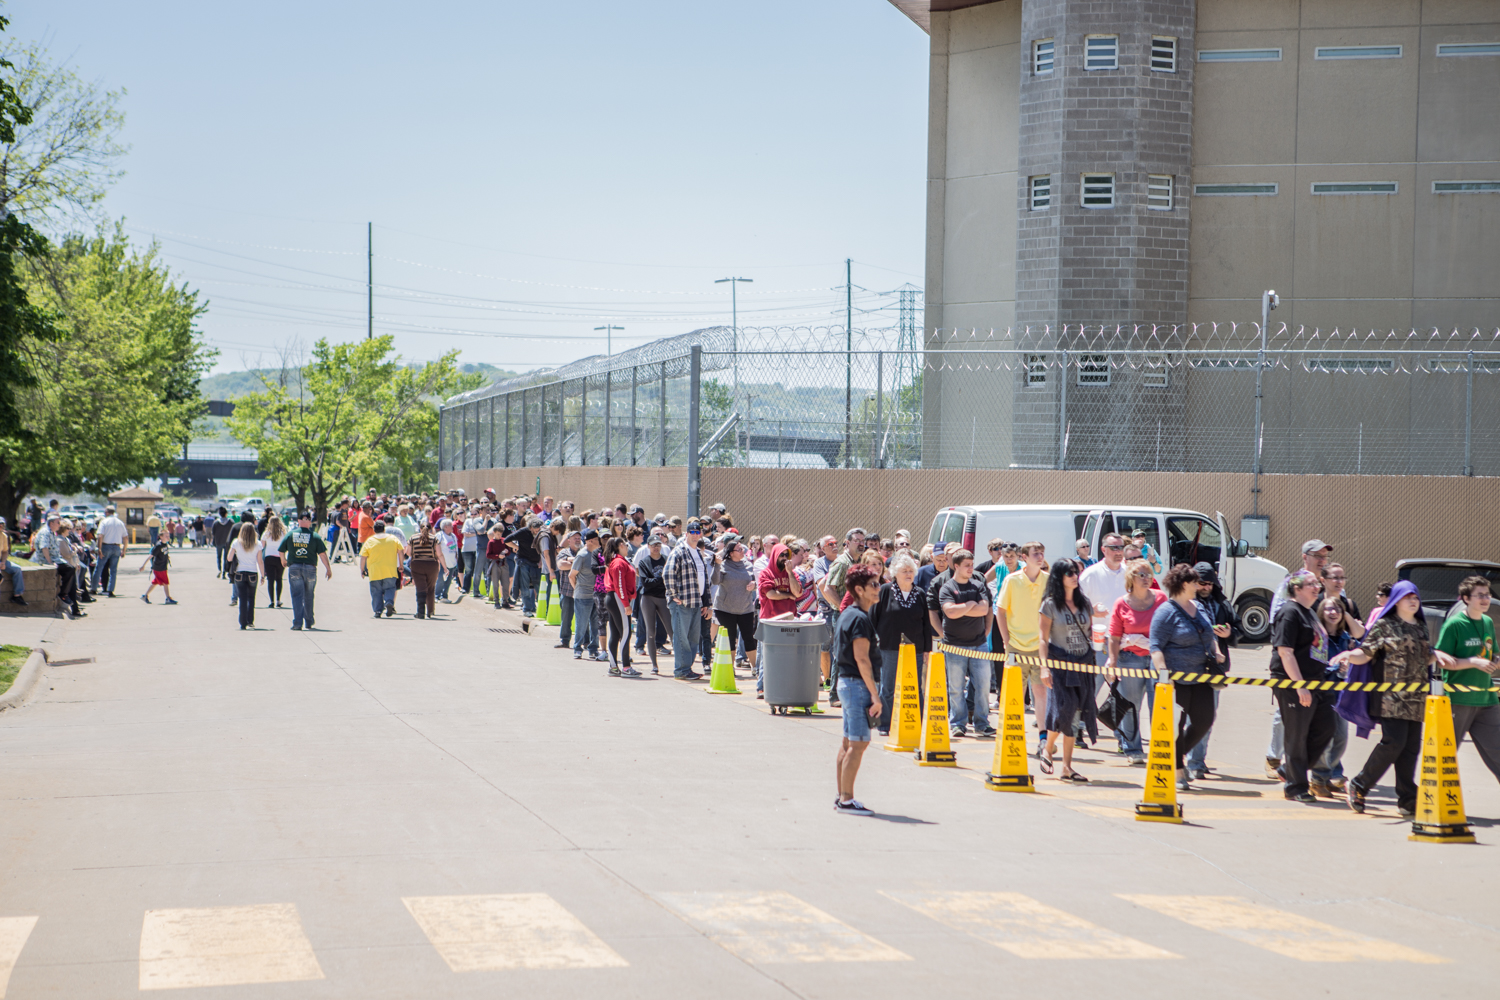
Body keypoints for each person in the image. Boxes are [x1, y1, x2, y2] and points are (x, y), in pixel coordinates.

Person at [1334, 580, 1456, 816]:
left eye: (1416, 597)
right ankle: (1360, 784)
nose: (1413, 601)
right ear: (1397, 600)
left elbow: (1423, 656)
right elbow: (1366, 652)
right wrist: (1349, 654)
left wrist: (1436, 654)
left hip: (1417, 699)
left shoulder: (1420, 626)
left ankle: (1408, 799)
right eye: (1408, 596)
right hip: (1391, 699)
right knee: (1393, 743)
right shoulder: (1384, 624)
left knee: (1410, 749)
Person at [1149, 564, 1224, 791]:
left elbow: (1208, 632)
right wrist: (1164, 676)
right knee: (1176, 727)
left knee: (1204, 720)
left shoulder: (1199, 607)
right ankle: (1178, 771)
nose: (1199, 586)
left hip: (1202, 677)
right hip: (1175, 680)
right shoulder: (1165, 612)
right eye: (1195, 582)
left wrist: (1216, 650)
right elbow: (1155, 647)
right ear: (1184, 584)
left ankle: (1176, 755)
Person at [1269, 570, 1337, 803]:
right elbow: (1285, 652)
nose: (1316, 587)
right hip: (1294, 683)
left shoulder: (1309, 612)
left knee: (1326, 727)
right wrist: (1300, 687)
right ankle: (1295, 787)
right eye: (1311, 584)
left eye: (1317, 583)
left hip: (1317, 682)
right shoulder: (1289, 612)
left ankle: (1290, 770)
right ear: (1296, 588)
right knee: (1297, 736)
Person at [1037, 558, 1099, 781]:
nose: (1075, 576)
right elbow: (1043, 639)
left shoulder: (1084, 603)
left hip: (1082, 663)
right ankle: (1048, 746)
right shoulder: (1050, 604)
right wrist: (1044, 667)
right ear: (1059, 577)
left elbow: (1090, 630)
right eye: (1069, 573)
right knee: (1066, 706)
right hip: (1059, 664)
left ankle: (1067, 767)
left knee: (1075, 714)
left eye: (1076, 572)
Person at [1434, 575, 1500, 784]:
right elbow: (1443, 661)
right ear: (1465, 598)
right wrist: (1473, 662)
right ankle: (1434, 802)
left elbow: (1492, 652)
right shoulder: (1454, 624)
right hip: (1458, 700)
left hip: (1486, 700)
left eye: (1487, 595)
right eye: (1479, 595)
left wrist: (1495, 660)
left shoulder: (1488, 622)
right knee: (1446, 754)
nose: (1485, 599)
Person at [833, 563, 884, 816]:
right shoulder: (859, 618)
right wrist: (875, 695)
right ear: (859, 590)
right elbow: (861, 658)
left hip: (849, 684)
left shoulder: (851, 614)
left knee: (848, 742)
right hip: (857, 685)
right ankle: (846, 799)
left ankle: (842, 795)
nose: (879, 588)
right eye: (874, 584)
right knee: (858, 743)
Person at [1105, 559, 1166, 764]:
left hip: (1157, 659)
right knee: (1131, 706)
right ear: (1131, 578)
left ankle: (1160, 747)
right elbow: (1114, 637)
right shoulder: (1121, 603)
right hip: (1130, 658)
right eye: (1141, 574)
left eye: (1149, 574)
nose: (1147, 578)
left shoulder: (1161, 599)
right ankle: (1132, 748)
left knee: (1158, 704)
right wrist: (1112, 661)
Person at [1184, 562, 1239, 780]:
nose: (1205, 587)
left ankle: (1198, 760)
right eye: (1201, 583)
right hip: (1189, 668)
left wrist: (1228, 634)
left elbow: (1239, 628)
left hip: (1215, 669)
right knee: (1191, 717)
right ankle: (1192, 761)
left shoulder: (1221, 604)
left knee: (1207, 716)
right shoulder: (1184, 603)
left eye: (1209, 583)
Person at [996, 541, 1049, 750]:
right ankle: (1013, 735)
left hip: (1040, 646)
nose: (1040, 556)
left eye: (1042, 553)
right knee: (1016, 694)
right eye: (1035, 553)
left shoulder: (1048, 580)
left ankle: (1043, 739)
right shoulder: (1012, 580)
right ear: (1024, 557)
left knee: (1040, 692)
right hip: (1016, 646)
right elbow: (1000, 610)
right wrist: (1006, 641)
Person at [869, 552, 929, 735]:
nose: (909, 574)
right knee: (887, 687)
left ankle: (915, 723)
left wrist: (927, 650)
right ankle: (884, 724)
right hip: (889, 647)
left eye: (911, 570)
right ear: (895, 573)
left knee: (914, 687)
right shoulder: (885, 591)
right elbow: (872, 618)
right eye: (904, 571)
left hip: (915, 649)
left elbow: (926, 623)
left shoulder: (919, 594)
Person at [1308, 593, 1361, 796]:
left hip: (1341, 695)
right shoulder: (1318, 636)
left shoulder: (1346, 638)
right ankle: (1318, 779)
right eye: (1329, 609)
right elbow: (1316, 665)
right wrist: (1337, 669)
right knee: (1326, 738)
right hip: (1323, 694)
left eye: (1338, 609)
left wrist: (1348, 667)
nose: (1333, 612)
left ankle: (1327, 774)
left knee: (1340, 738)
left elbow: (1361, 639)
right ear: (1321, 612)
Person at [939, 549, 995, 739]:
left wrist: (963, 608)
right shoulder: (947, 587)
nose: (971, 568)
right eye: (967, 565)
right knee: (955, 687)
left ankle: (982, 722)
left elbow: (984, 609)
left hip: (979, 644)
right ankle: (957, 723)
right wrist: (972, 604)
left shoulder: (979, 585)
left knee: (983, 685)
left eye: (972, 564)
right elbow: (950, 613)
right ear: (956, 566)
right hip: (954, 645)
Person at [665, 518, 713, 680]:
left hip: (696, 602)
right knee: (681, 637)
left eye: (697, 532)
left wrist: (706, 603)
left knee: (693, 638)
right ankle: (681, 670)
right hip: (682, 603)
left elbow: (705, 579)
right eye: (691, 532)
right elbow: (668, 573)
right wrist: (673, 595)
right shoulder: (679, 551)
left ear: (701, 535)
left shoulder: (699, 553)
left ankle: (687, 668)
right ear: (686, 534)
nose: (694, 535)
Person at [711, 539, 758, 679]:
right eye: (739, 549)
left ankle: (755, 667)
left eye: (743, 549)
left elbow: (754, 580)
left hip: (745, 608)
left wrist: (754, 585)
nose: (743, 551)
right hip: (725, 609)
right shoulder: (723, 564)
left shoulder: (748, 564)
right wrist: (718, 566)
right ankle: (730, 668)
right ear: (731, 553)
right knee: (730, 639)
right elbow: (715, 581)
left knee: (749, 638)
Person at [281, 511, 332, 630]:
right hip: (310, 568)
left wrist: (283, 560)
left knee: (297, 595)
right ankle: (308, 621)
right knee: (309, 595)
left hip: (294, 567)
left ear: (298, 521)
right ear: (309, 522)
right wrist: (328, 569)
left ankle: (297, 623)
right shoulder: (315, 536)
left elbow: (281, 549)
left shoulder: (290, 534)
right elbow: (323, 554)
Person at [601, 536, 641, 677]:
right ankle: (626, 667)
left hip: (615, 598)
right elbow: (619, 586)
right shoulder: (618, 563)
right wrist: (626, 604)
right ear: (619, 546)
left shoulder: (620, 561)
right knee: (625, 632)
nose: (626, 546)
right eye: (624, 544)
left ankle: (613, 667)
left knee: (616, 633)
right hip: (617, 598)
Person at [635, 533, 671, 674]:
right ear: (648, 546)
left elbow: (670, 579)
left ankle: (680, 664)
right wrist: (661, 579)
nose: (656, 547)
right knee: (651, 631)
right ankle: (654, 665)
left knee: (671, 630)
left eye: (658, 545)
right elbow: (646, 583)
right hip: (648, 598)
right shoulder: (644, 562)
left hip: (663, 598)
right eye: (653, 545)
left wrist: (657, 581)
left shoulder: (666, 560)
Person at [569, 529, 604, 661]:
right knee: (582, 624)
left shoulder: (598, 554)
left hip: (597, 594)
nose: (599, 542)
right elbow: (571, 575)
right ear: (590, 541)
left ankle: (593, 649)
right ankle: (577, 649)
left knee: (596, 623)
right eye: (596, 539)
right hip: (583, 596)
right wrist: (577, 590)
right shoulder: (582, 555)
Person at [359, 520, 403, 619]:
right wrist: (401, 564)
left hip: (375, 571)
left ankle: (378, 611)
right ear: (384, 529)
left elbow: (363, 557)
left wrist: (362, 569)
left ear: (374, 530)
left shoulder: (370, 540)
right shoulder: (393, 539)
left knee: (376, 591)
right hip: (390, 569)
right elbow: (401, 551)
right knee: (390, 588)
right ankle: (388, 602)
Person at [228, 523, 266, 630]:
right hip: (252, 573)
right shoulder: (257, 544)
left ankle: (242, 622)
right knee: (251, 598)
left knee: (242, 598)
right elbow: (260, 561)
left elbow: (229, 558)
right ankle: (250, 621)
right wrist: (263, 575)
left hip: (240, 573)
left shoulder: (236, 542)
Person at [505, 516, 543, 616]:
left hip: (536, 562)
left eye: (539, 529)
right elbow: (507, 540)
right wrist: (517, 547)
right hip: (524, 561)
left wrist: (541, 560)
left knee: (538, 585)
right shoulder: (523, 532)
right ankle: (527, 608)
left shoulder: (542, 533)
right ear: (530, 527)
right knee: (525, 585)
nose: (537, 531)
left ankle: (542, 609)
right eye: (535, 530)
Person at [406, 520, 442, 619]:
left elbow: (408, 552)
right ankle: (430, 611)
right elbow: (439, 553)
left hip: (417, 564)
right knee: (431, 588)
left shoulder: (413, 538)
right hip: (432, 565)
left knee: (420, 588)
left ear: (420, 528)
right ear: (430, 529)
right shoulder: (434, 538)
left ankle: (420, 611)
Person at [95, 506, 127, 597]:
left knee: (99, 568)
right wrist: (124, 550)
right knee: (113, 570)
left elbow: (100, 536)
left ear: (106, 512)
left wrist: (99, 549)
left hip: (106, 546)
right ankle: (110, 591)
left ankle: (94, 589)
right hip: (117, 547)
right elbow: (126, 538)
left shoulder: (104, 522)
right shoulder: (120, 522)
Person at [138, 533, 177, 605]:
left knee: (156, 581)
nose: (168, 537)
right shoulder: (158, 546)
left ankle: (145, 595)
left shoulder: (165, 544)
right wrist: (143, 565)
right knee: (165, 582)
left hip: (163, 567)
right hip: (159, 568)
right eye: (166, 536)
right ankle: (168, 598)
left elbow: (163, 554)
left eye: (168, 536)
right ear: (161, 537)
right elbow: (151, 555)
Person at [260, 514, 287, 608]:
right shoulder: (283, 533)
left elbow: (262, 546)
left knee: (270, 580)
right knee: (279, 579)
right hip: (280, 557)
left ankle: (272, 601)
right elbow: (286, 546)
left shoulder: (266, 533)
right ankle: (279, 600)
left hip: (269, 558)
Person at [0, 519, 25, 605]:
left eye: (2, 524)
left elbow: (5, 551)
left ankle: (17, 595)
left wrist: (3, 562)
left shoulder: (3, 536)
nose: (1, 526)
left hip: (1, 560)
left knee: (17, 569)